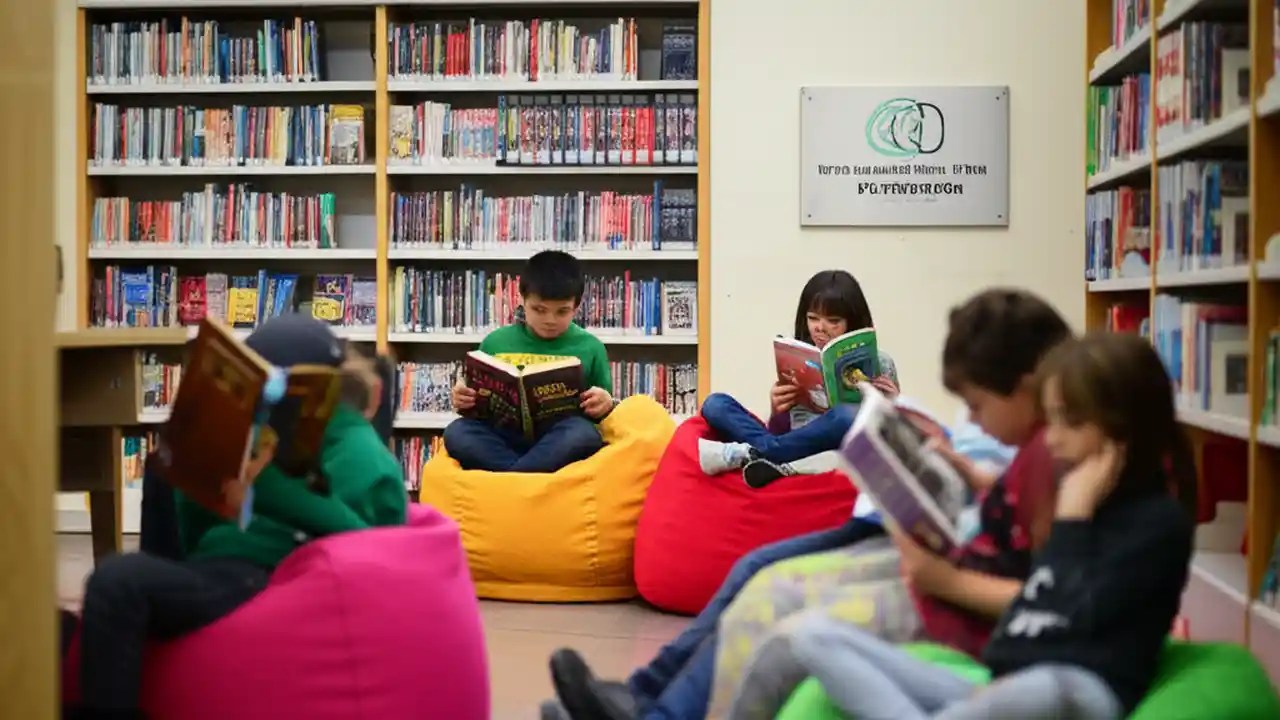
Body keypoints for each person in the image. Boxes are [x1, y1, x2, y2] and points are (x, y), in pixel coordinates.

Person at [546, 288, 1069, 720]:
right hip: (825, 473)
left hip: (917, 543)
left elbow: (1045, 574)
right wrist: (780, 411)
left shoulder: (1060, 461)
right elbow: (1006, 502)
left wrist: (891, 415)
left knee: (770, 579)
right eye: (814, 319)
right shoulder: (1030, 448)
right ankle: (640, 697)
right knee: (743, 512)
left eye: (976, 405)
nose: (971, 419)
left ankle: (648, 706)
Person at [746, 332, 1196, 720]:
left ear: (1123, 427)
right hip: (1005, 684)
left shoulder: (1158, 522)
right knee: (810, 636)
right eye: (1052, 419)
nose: (1053, 438)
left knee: (1040, 689)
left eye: (1070, 422)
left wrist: (1072, 523)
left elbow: (1060, 623)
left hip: (1075, 688)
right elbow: (1020, 635)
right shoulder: (1081, 498)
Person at [67, 314, 409, 720]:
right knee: (90, 607)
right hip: (223, 561)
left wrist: (267, 491)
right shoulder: (260, 435)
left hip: (268, 573)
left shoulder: (359, 452)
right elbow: (199, 540)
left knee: (118, 583)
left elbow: (367, 549)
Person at [696, 269, 900, 480]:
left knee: (846, 416)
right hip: (795, 445)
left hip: (840, 443)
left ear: (852, 322)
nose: (820, 328)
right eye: (812, 318)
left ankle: (752, 454)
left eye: (833, 321)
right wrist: (777, 411)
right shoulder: (798, 356)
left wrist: (896, 406)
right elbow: (779, 433)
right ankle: (767, 455)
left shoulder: (881, 362)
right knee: (715, 404)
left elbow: (894, 443)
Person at [444, 250, 614, 473]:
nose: (550, 320)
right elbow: (474, 404)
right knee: (457, 432)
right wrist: (463, 398)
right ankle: (527, 477)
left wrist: (606, 403)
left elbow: (606, 418)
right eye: (539, 310)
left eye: (562, 312)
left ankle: (512, 479)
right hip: (503, 437)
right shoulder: (495, 342)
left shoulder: (591, 347)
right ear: (522, 300)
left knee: (584, 434)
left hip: (558, 441)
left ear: (577, 306)